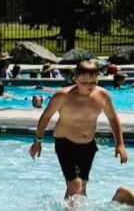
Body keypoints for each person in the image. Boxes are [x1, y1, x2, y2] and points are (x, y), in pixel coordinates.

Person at [30, 60, 127, 200]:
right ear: (76, 79)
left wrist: (120, 144)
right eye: (84, 83)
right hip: (65, 144)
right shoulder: (63, 96)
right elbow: (45, 117)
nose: (89, 87)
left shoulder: (103, 96)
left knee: (80, 188)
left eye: (93, 83)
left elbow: (113, 118)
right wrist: (37, 141)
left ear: (98, 79)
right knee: (76, 185)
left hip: (88, 146)